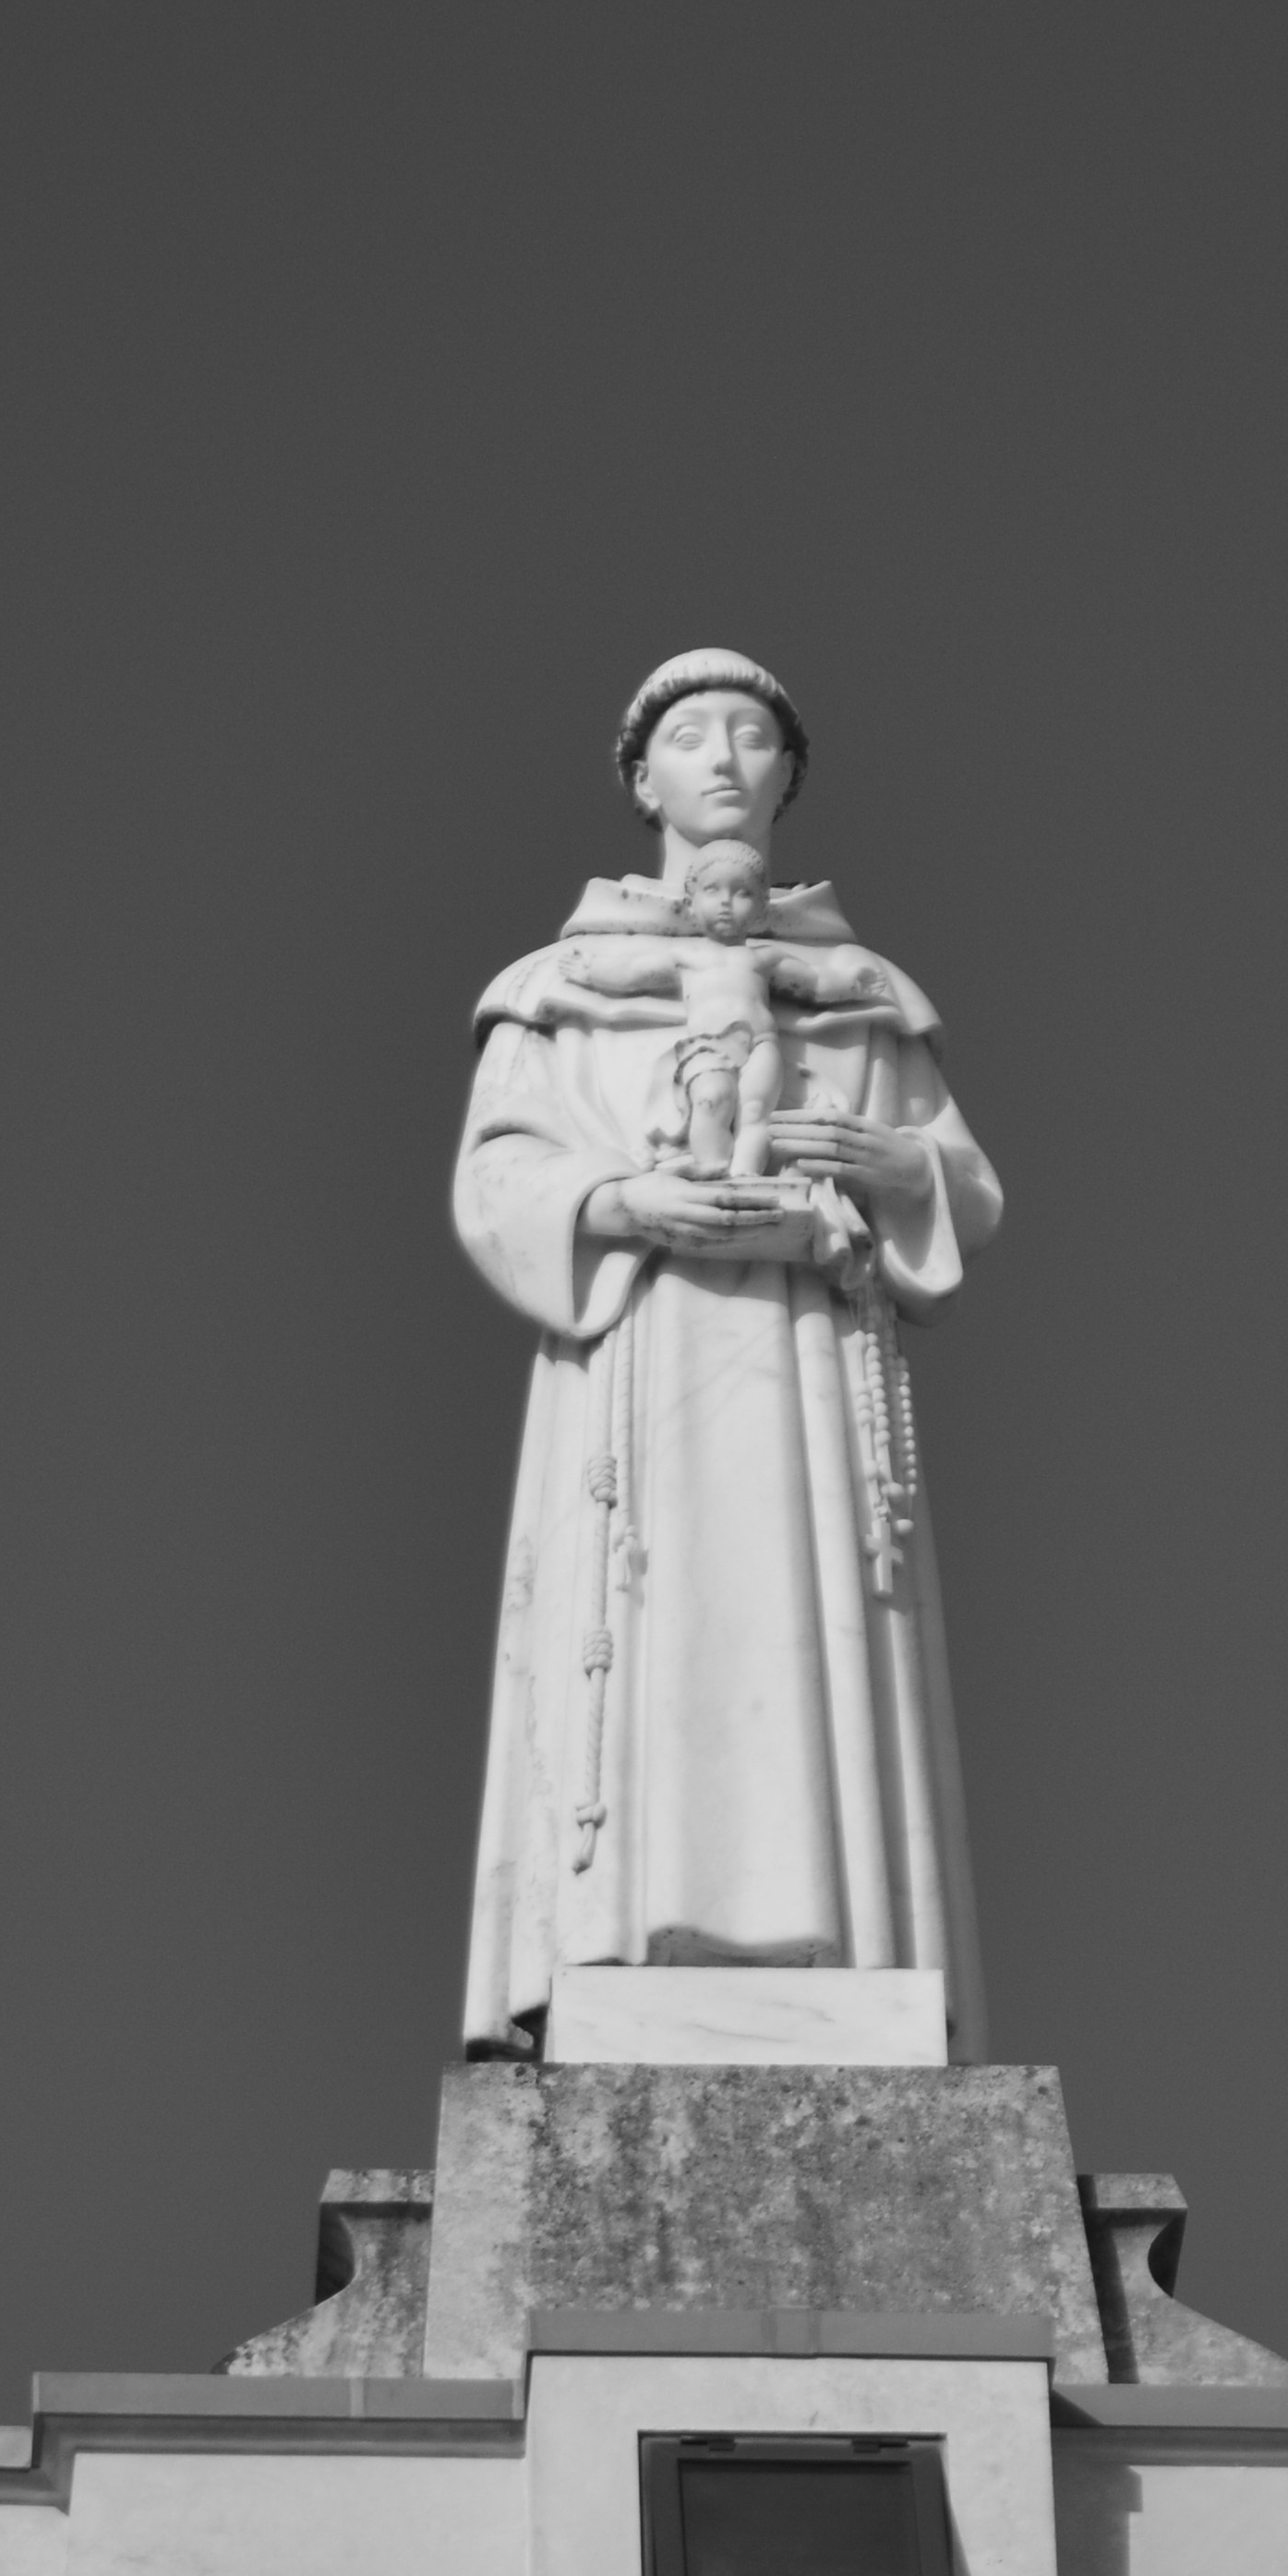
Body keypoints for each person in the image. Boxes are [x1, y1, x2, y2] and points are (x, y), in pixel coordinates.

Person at [453, 647, 1002, 2053]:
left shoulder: (861, 992)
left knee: (821, 1630)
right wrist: (622, 1202)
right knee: (644, 1629)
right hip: (640, 1365)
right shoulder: (561, 986)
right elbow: (500, 1174)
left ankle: (844, 1959)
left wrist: (891, 1167)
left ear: (787, 776)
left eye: (752, 736)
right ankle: (618, 1943)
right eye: (692, 735)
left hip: (813, 1360)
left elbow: (961, 1185)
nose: (723, 758)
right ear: (643, 778)